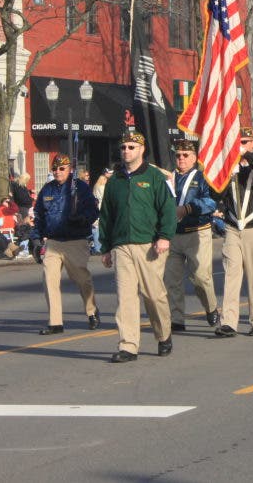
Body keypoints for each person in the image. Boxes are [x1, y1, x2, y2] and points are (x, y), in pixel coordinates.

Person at [99, 131, 177, 363]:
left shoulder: (153, 177)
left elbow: (168, 209)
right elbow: (107, 216)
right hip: (122, 246)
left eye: (132, 147)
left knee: (154, 296)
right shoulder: (115, 181)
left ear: (142, 150)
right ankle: (129, 345)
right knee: (126, 298)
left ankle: (163, 335)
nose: (126, 151)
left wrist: (164, 236)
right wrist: (105, 247)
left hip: (149, 245)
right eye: (123, 147)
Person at [212, 127, 253, 337]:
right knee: (231, 274)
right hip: (232, 228)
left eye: (245, 141)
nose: (241, 146)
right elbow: (215, 192)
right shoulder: (231, 168)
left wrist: (245, 153)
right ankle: (228, 321)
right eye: (238, 142)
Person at [30, 153, 100, 335]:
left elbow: (93, 211)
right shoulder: (47, 190)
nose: (58, 172)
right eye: (55, 169)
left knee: (82, 279)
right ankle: (55, 322)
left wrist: (81, 218)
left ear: (70, 170)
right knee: (49, 280)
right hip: (53, 241)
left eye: (62, 168)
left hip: (75, 240)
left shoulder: (81, 188)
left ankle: (91, 311)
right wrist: (36, 240)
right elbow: (39, 217)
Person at [165, 139, 220, 333]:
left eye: (185, 155)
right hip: (171, 235)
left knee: (200, 277)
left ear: (195, 157)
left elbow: (211, 202)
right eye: (178, 155)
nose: (181, 159)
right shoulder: (167, 178)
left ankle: (211, 307)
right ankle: (177, 318)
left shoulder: (202, 176)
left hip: (197, 232)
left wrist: (188, 208)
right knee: (171, 281)